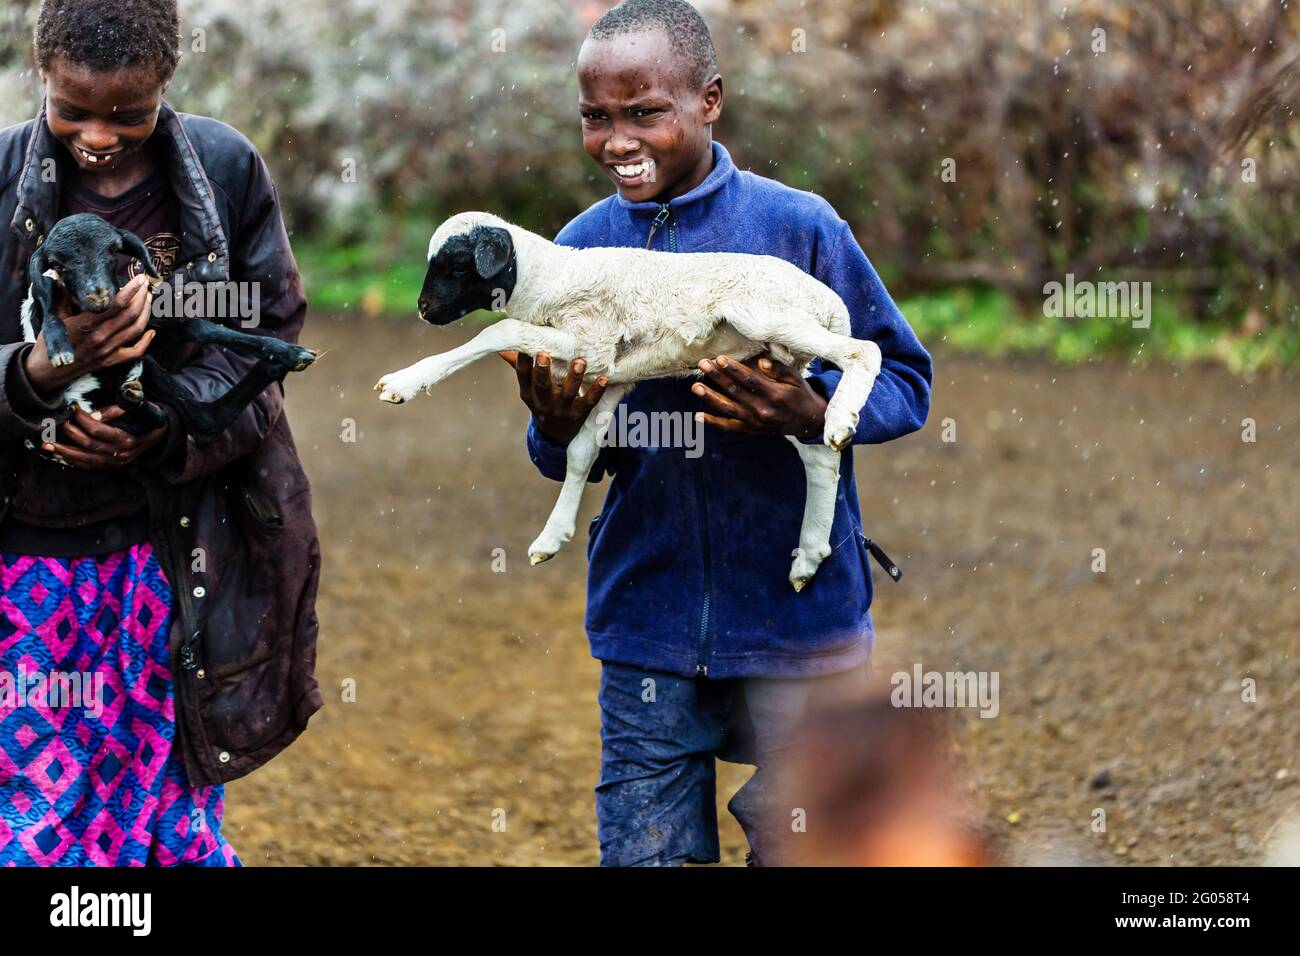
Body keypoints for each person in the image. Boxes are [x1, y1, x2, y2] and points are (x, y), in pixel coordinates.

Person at [503, 0, 932, 865]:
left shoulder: (797, 230)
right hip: (647, 621)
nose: (619, 139)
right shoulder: (577, 252)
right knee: (647, 851)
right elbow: (567, 450)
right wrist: (555, 424)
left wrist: (812, 413)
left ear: (709, 101)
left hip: (797, 625)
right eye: (597, 117)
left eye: (645, 112)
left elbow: (905, 378)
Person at [0, 0, 322, 866]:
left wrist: (165, 430)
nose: (98, 135)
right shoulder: (1, 178)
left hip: (175, 551)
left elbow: (270, 339)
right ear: (42, 73)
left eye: (128, 113)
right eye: (73, 109)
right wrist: (38, 376)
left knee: (162, 803)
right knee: (37, 805)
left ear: (167, 83)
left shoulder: (223, 172)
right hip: (28, 559)